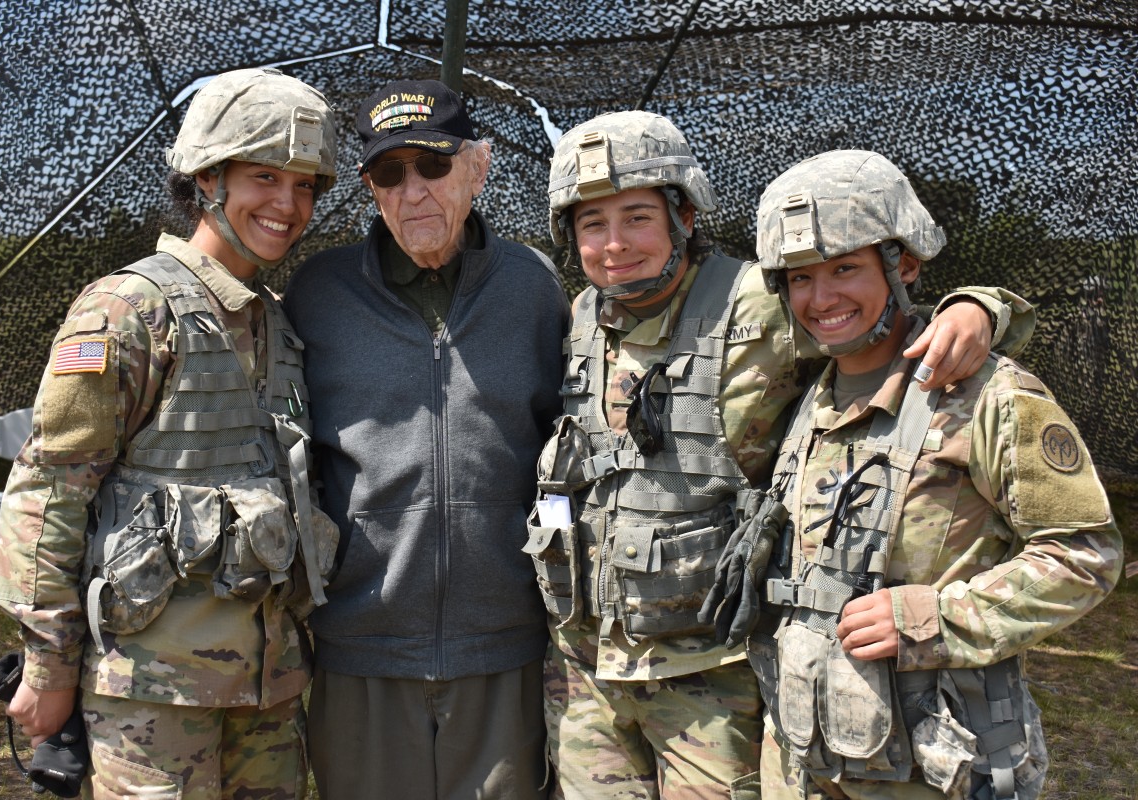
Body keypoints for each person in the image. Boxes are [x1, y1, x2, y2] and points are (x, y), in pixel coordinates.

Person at [529, 111, 1037, 799]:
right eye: (593, 224)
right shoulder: (583, 313)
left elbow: (868, 318)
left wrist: (980, 308)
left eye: (637, 217)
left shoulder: (759, 302)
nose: (615, 244)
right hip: (587, 664)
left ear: (683, 215)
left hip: (709, 676)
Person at [0, 67, 342, 798]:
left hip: (269, 692)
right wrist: (49, 666)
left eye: (306, 184)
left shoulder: (275, 320)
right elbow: (48, 493)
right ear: (207, 178)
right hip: (152, 695)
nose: (288, 204)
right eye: (265, 177)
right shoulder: (130, 309)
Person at [749, 149, 1122, 799]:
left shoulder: (990, 394)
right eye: (800, 277)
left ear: (906, 265)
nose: (822, 296)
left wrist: (933, 618)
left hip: (936, 764)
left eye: (845, 268)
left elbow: (1085, 554)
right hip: (804, 756)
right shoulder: (806, 396)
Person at [282, 79, 569, 800]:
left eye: (434, 166)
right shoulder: (315, 294)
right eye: (389, 173)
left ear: (479, 165)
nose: (413, 192)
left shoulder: (537, 287)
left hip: (503, 646)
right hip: (361, 650)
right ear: (371, 188)